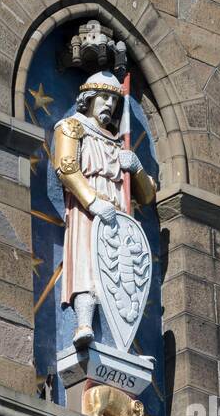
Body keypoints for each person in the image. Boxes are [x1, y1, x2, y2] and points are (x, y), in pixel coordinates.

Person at [53, 71, 156, 347]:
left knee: (121, 275)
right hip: (88, 212)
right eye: (104, 98)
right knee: (88, 265)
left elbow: (147, 195)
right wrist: (93, 201)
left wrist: (136, 168)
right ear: (89, 99)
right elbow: (66, 167)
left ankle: (120, 342)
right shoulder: (71, 127)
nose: (109, 104)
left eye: (114, 99)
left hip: (119, 217)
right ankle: (84, 324)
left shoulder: (116, 142)